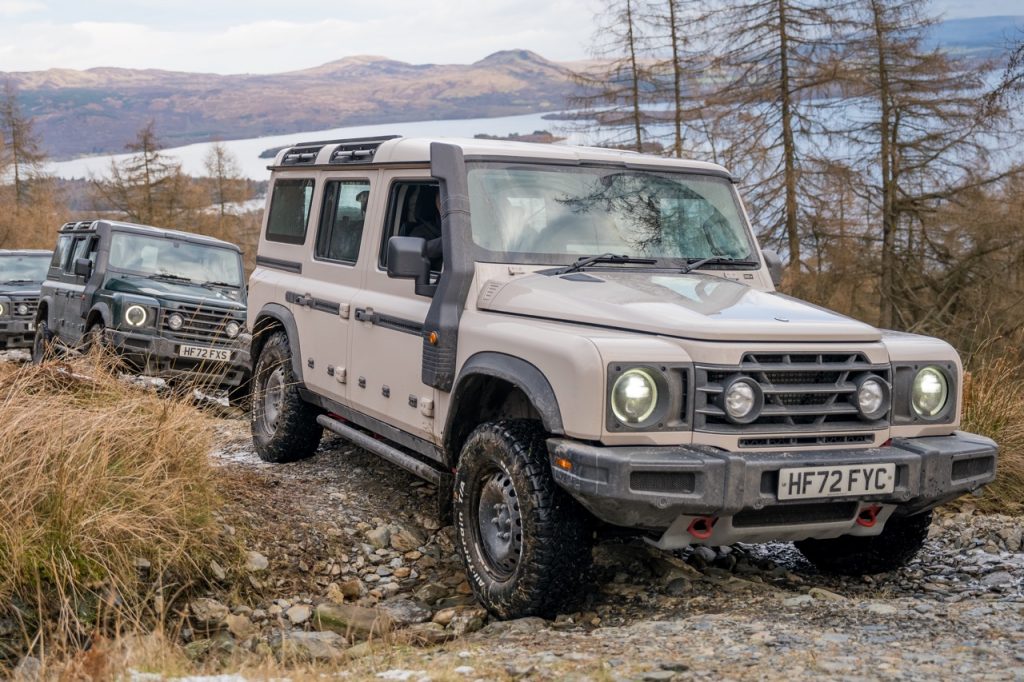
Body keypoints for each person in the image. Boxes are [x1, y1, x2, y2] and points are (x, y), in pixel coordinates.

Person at [405, 186, 443, 270]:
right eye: (443, 197)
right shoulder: (420, 232)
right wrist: (450, 241)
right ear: (437, 201)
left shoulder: (472, 231)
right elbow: (411, 256)